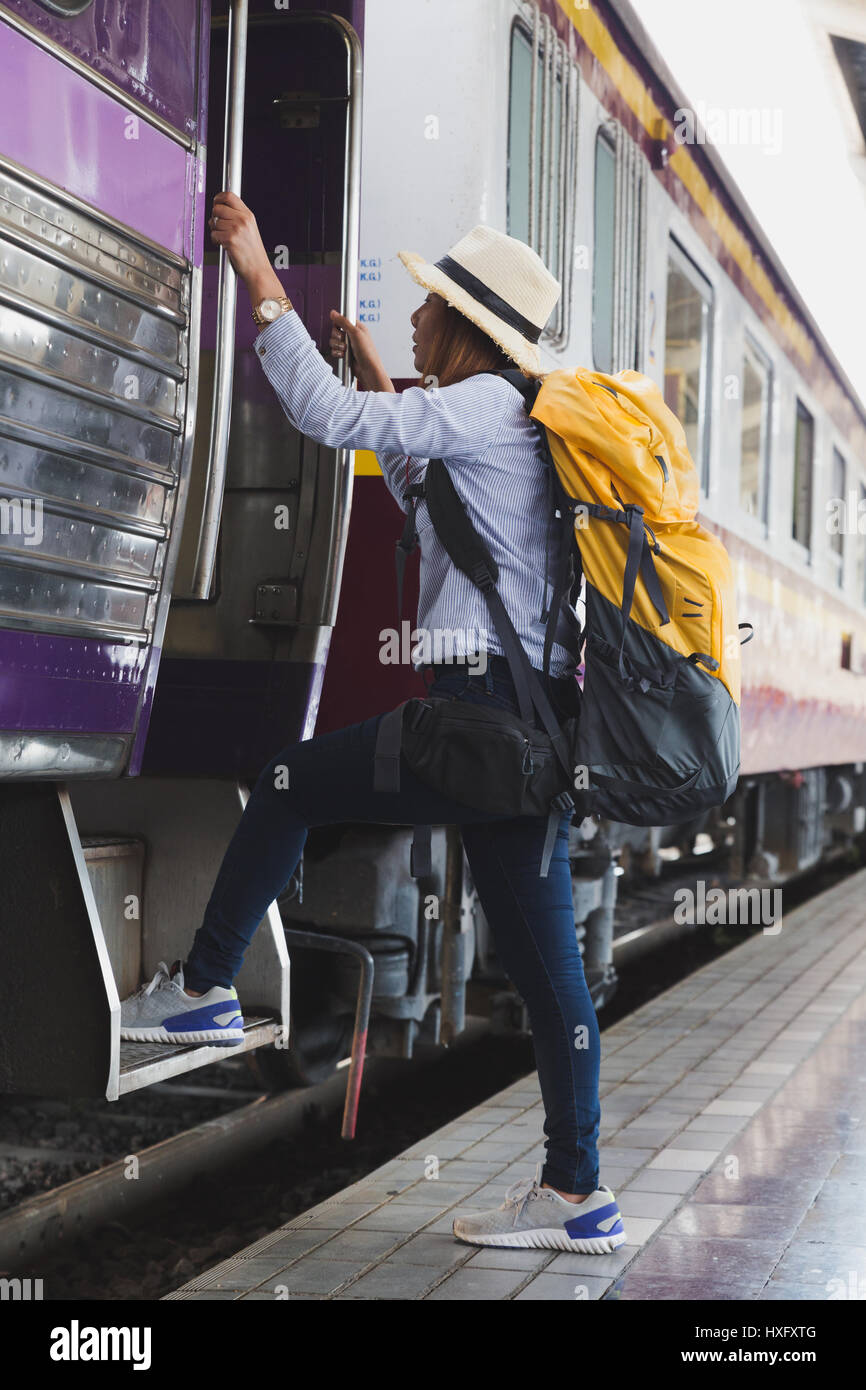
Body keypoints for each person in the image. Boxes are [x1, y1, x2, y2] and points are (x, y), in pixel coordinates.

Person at [119, 191, 626, 1254]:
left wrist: (261, 280)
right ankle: (577, 1192)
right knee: (548, 977)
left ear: (467, 329)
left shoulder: (488, 406)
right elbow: (415, 486)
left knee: (292, 785)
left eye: (428, 306)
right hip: (519, 734)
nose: (411, 316)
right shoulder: (499, 419)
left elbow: (332, 424)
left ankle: (206, 989)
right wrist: (377, 382)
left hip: (477, 715)